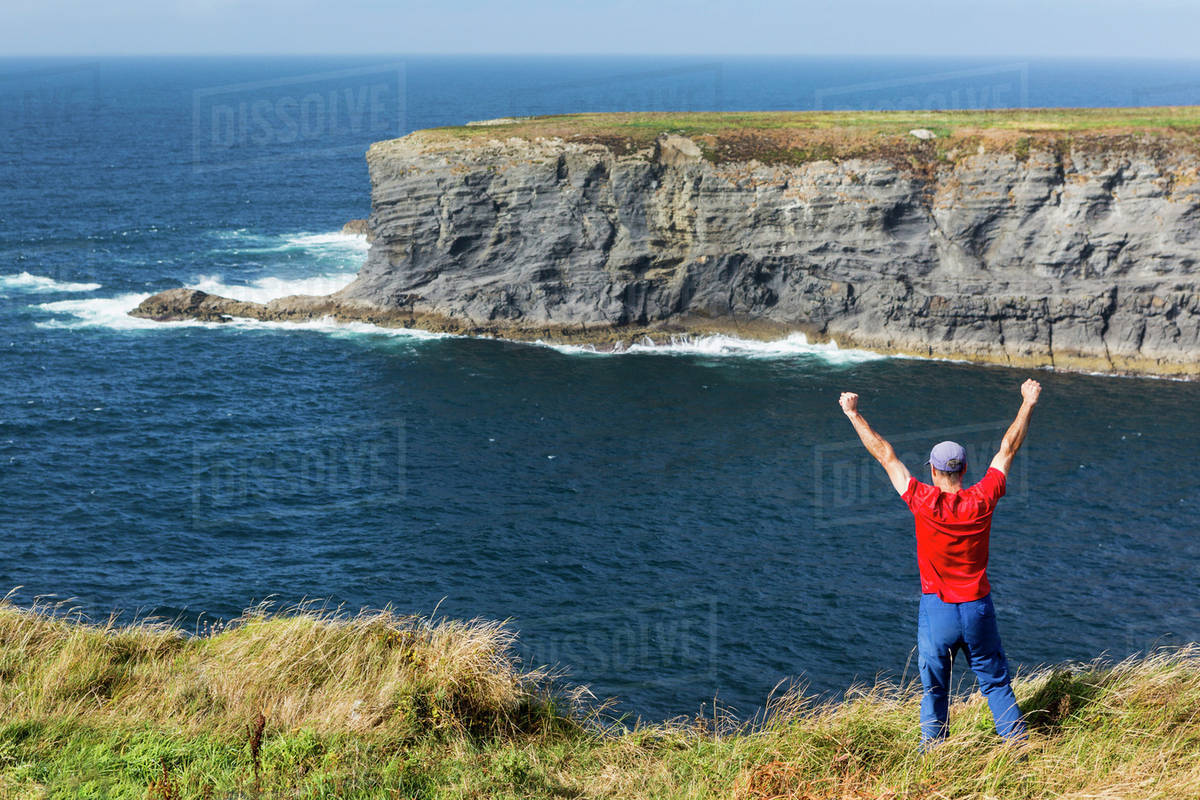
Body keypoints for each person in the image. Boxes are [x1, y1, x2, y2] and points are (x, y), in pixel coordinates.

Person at [837, 379, 1042, 748]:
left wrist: (853, 413)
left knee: (934, 692)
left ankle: (933, 760)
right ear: (964, 471)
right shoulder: (984, 498)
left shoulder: (921, 499)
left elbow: (885, 454)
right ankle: (1020, 751)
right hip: (978, 608)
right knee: (995, 683)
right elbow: (1008, 448)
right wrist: (1027, 403)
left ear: (933, 471)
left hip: (938, 610)